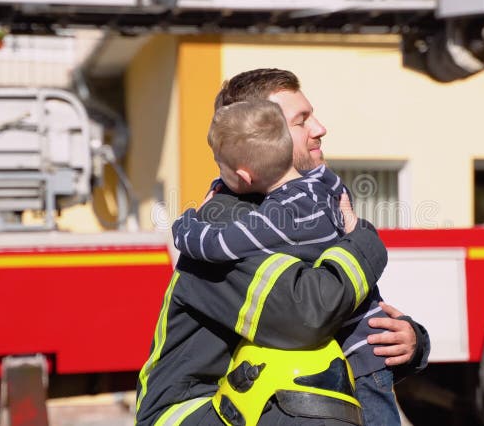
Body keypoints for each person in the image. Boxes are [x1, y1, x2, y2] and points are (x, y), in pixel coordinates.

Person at [135, 70, 429, 426]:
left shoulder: (302, 204)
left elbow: (344, 308)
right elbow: (306, 318)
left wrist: (410, 340)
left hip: (248, 407)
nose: (320, 128)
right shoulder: (227, 222)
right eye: (301, 121)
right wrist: (365, 241)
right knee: (301, 373)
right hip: (193, 414)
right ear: (259, 135)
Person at [171, 99, 348, 263]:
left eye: (220, 167)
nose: (220, 176)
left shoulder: (278, 216)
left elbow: (217, 246)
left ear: (245, 177)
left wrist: (185, 223)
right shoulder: (323, 181)